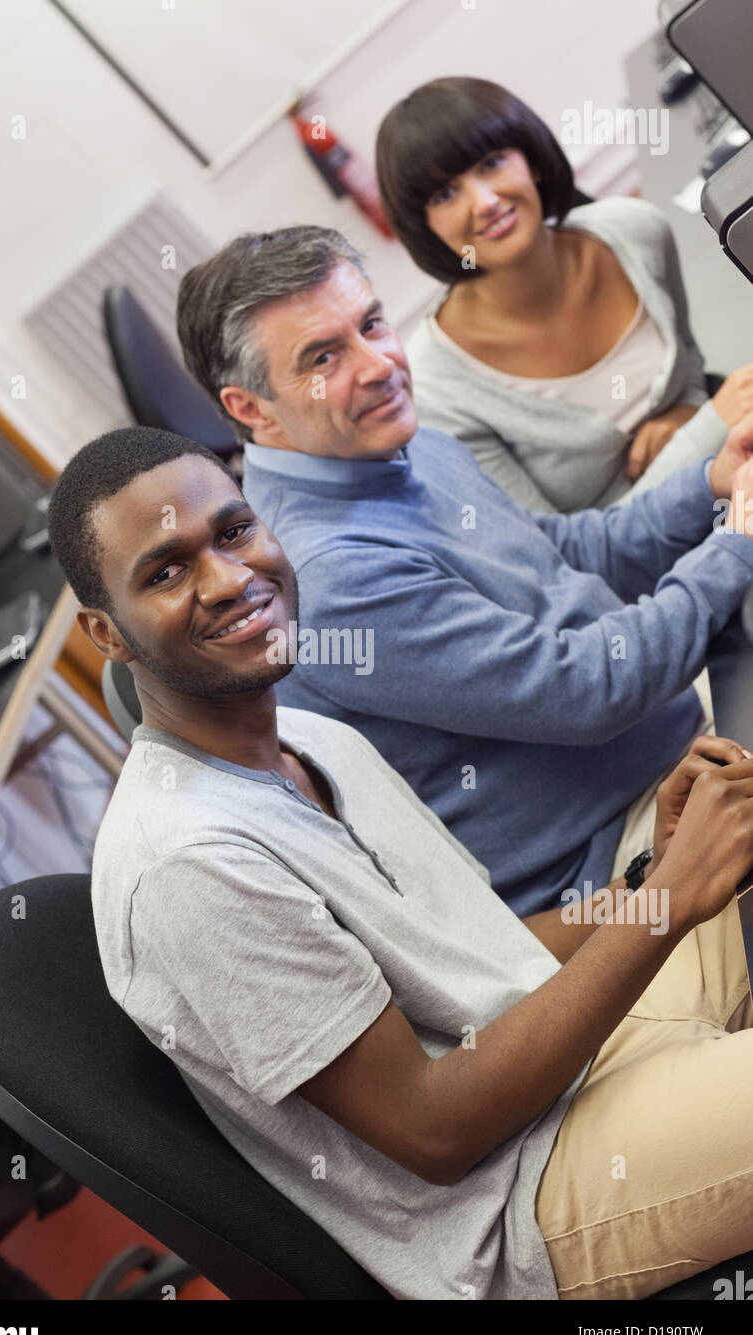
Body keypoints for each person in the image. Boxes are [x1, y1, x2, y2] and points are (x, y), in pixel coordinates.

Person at [46, 424, 753, 1301]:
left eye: (232, 532)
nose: (229, 578)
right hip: (525, 1198)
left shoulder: (306, 735)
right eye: (166, 570)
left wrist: (651, 880)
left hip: (572, 1058)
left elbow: (482, 950)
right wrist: (680, 901)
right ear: (104, 634)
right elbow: (436, 1129)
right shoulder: (186, 867)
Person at [175, 222, 753, 917]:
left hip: (675, 736)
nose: (379, 364)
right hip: (622, 863)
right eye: (324, 357)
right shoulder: (329, 577)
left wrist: (710, 485)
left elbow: (564, 556)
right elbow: (589, 691)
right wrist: (736, 546)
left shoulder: (391, 440)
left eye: (372, 324)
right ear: (250, 409)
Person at [374, 76, 753, 512]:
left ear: (531, 160)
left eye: (492, 163)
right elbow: (566, 562)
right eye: (446, 194)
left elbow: (689, 368)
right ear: (427, 226)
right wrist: (701, 433)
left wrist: (685, 411)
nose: (485, 202)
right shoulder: (437, 387)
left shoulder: (636, 231)